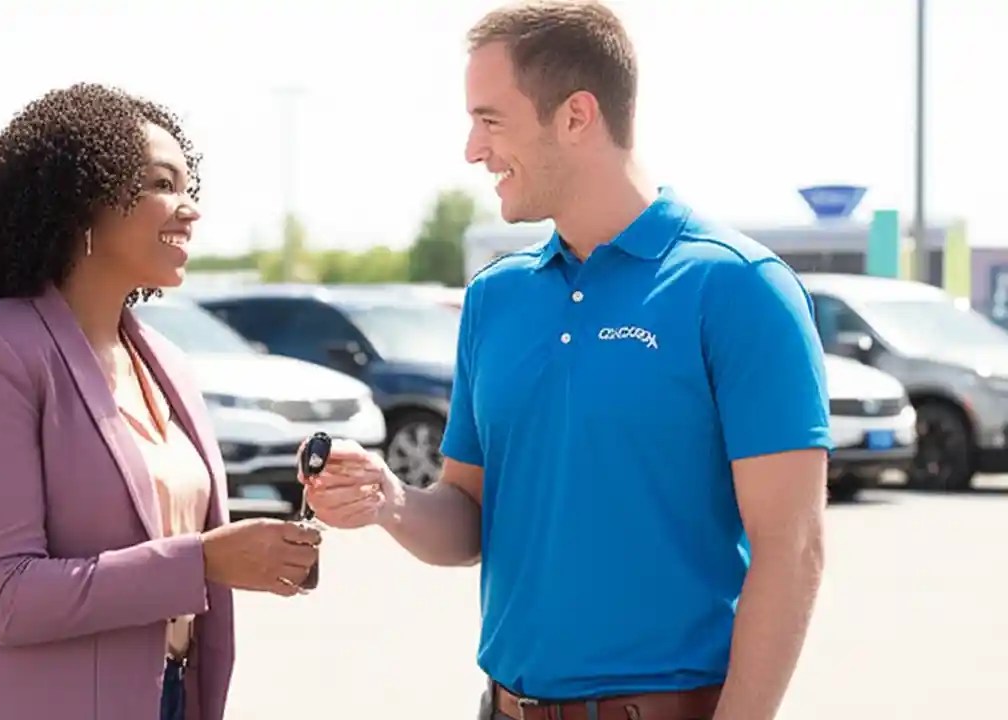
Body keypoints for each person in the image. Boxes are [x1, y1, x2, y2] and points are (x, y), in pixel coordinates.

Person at [302, 3, 830, 719]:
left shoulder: (738, 288)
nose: (471, 150)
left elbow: (791, 550)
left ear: (577, 116)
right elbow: (469, 517)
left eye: (491, 120)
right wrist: (390, 501)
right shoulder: (495, 298)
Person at [0, 83, 321, 720]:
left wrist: (269, 549)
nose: (188, 209)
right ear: (85, 201)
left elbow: (171, 535)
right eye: (163, 183)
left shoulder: (167, 362)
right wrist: (204, 560)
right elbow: (3, 595)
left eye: (190, 188)